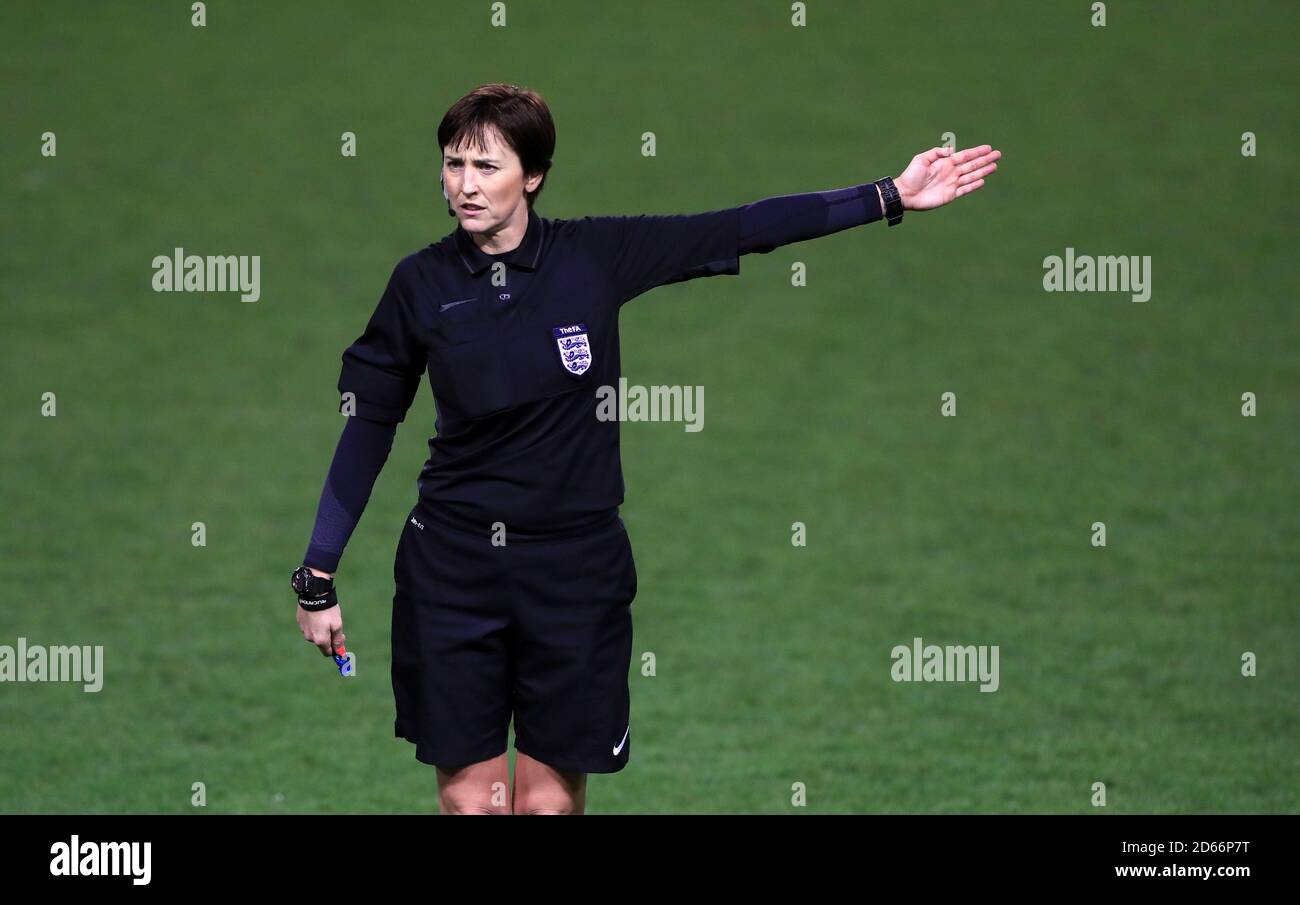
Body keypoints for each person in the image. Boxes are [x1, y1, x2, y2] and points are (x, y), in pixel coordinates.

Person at [290, 83, 1000, 814]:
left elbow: (738, 228)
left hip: (574, 573)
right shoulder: (420, 285)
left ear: (533, 175)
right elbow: (370, 423)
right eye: (453, 165)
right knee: (474, 806)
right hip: (453, 570)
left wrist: (888, 195)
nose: (466, 185)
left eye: (488, 166)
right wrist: (319, 571)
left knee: (545, 808)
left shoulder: (594, 257)